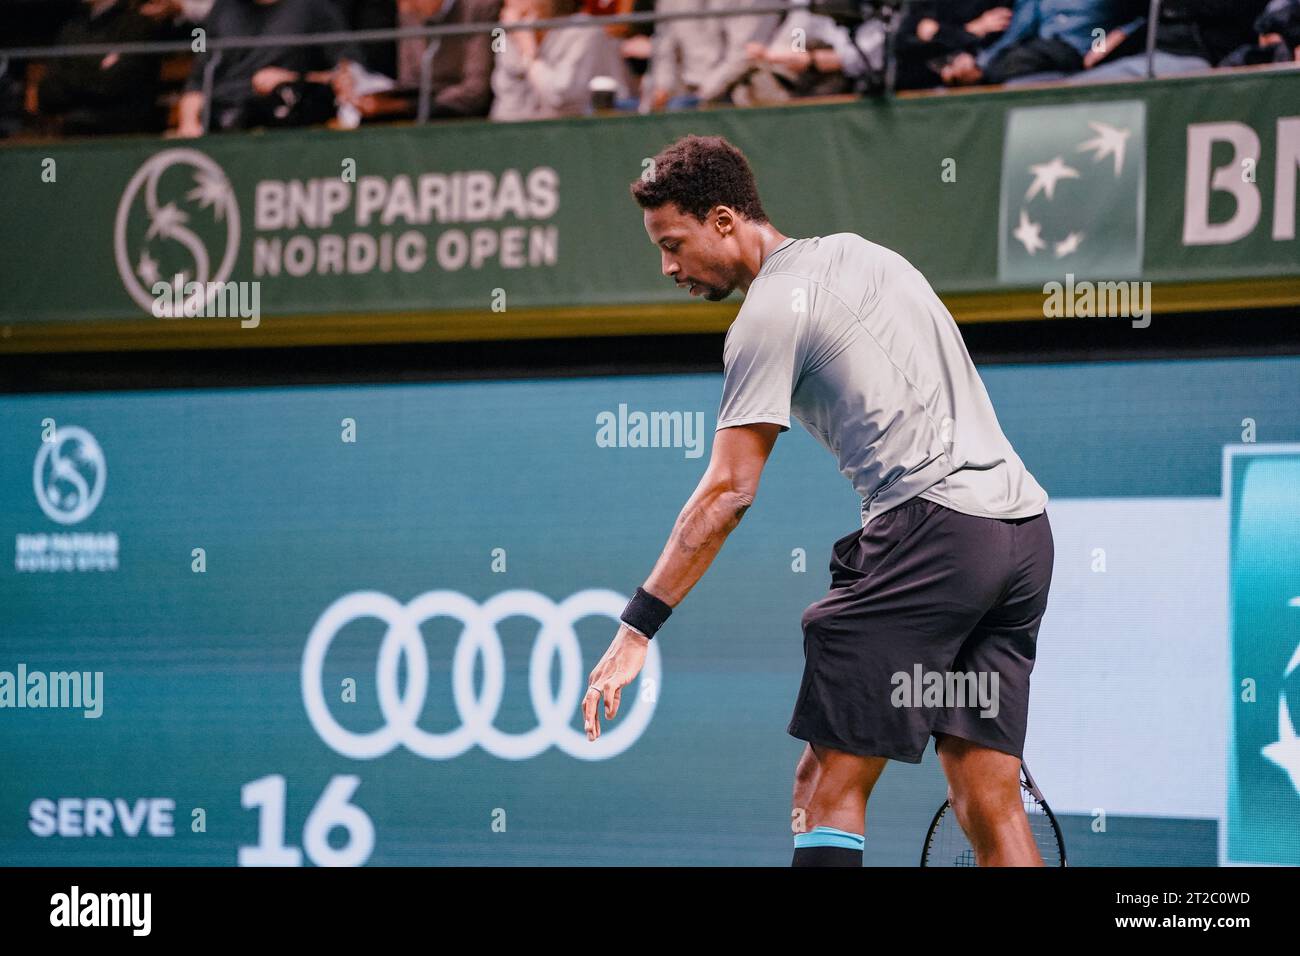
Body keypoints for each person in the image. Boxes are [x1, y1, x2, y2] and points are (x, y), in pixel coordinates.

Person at [583, 135, 1055, 867]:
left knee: (825, 780)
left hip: (935, 531)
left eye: (673, 244)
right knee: (987, 794)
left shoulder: (767, 314)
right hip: (1023, 538)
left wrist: (637, 628)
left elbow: (727, 493)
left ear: (724, 220)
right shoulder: (865, 252)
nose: (668, 267)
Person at [176, 0, 362, 135]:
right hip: (222, 118)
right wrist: (189, 123)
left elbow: (348, 74)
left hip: (284, 121)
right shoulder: (223, 8)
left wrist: (291, 78)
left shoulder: (313, 7)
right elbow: (198, 81)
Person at [488, 0, 630, 121]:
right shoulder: (509, 33)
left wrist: (529, 54)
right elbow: (505, 101)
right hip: (521, 136)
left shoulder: (586, 32)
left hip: (578, 134)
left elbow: (560, 98)